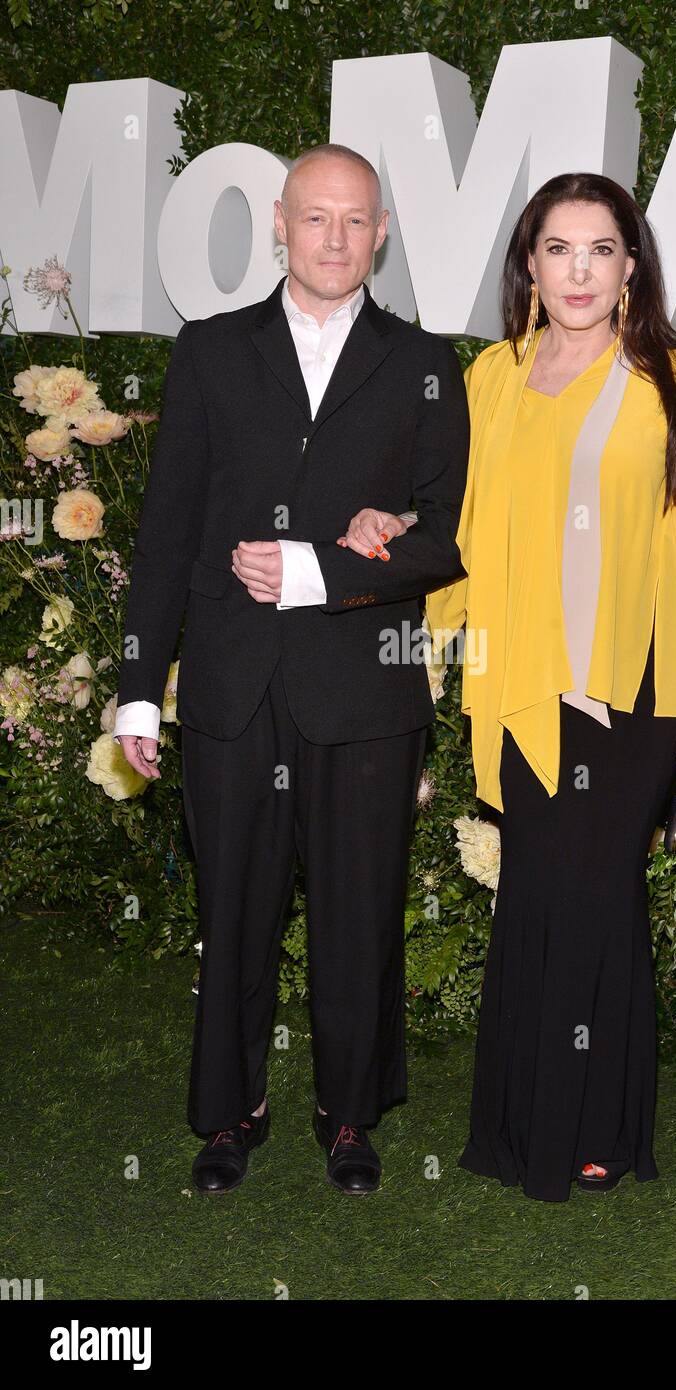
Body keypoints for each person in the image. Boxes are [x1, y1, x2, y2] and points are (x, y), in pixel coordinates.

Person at [114, 143, 469, 1195]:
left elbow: (447, 534)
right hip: (230, 680)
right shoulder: (211, 350)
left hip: (362, 684)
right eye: (315, 219)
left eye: (355, 221)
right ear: (278, 222)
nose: (334, 239)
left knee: (360, 907)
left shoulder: (423, 360)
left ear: (383, 233)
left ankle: (348, 1113)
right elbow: (168, 529)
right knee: (232, 908)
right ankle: (230, 1110)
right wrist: (140, 680)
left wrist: (329, 564)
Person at [423, 172, 676, 1202]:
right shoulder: (490, 374)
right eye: (557, 248)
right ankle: (516, 1132)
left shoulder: (668, 378)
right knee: (536, 898)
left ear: (630, 265)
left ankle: (596, 1131)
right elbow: (455, 516)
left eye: (599, 249)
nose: (578, 270)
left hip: (630, 686)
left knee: (597, 899)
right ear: (528, 262)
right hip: (516, 673)